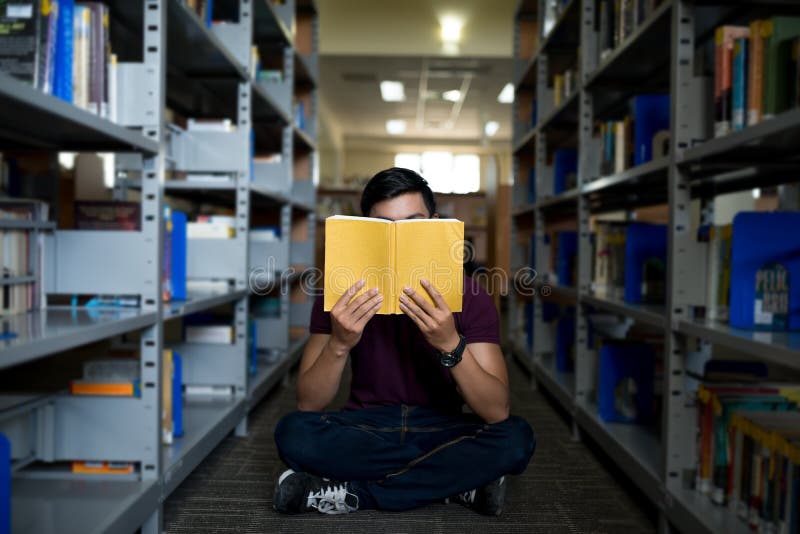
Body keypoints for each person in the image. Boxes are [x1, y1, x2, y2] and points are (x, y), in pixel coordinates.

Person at [273, 167, 535, 516]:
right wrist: (339, 343)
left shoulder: (471, 294)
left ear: (436, 226)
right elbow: (309, 403)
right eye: (385, 227)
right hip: (367, 427)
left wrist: (450, 344)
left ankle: (355, 493)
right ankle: (453, 484)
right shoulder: (337, 295)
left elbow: (496, 409)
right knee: (293, 432)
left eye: (414, 225)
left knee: (516, 437)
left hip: (440, 427)